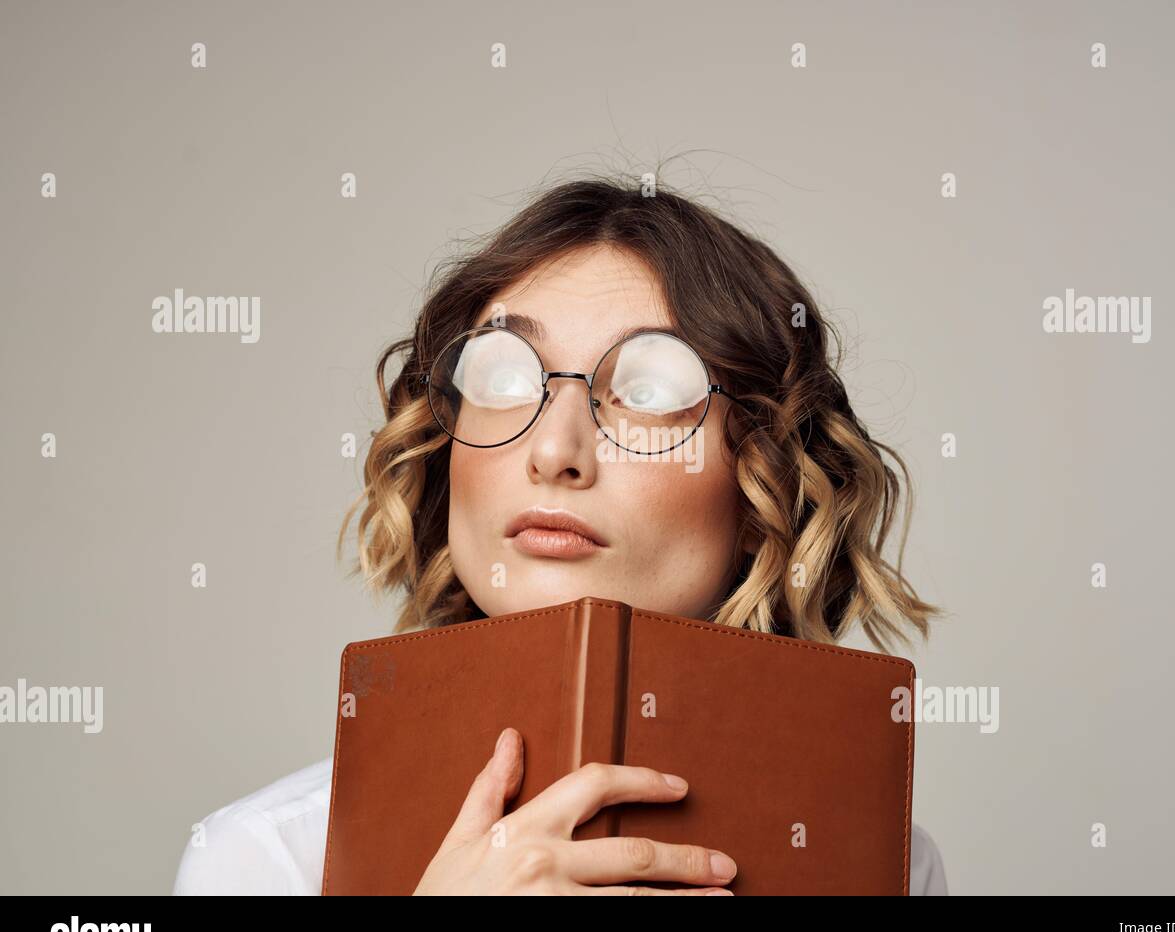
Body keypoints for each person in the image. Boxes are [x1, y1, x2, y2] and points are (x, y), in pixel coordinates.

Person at [172, 176, 949, 895]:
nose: (554, 452)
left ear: (762, 486)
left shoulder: (885, 866)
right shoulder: (267, 861)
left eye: (648, 390)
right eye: (505, 377)